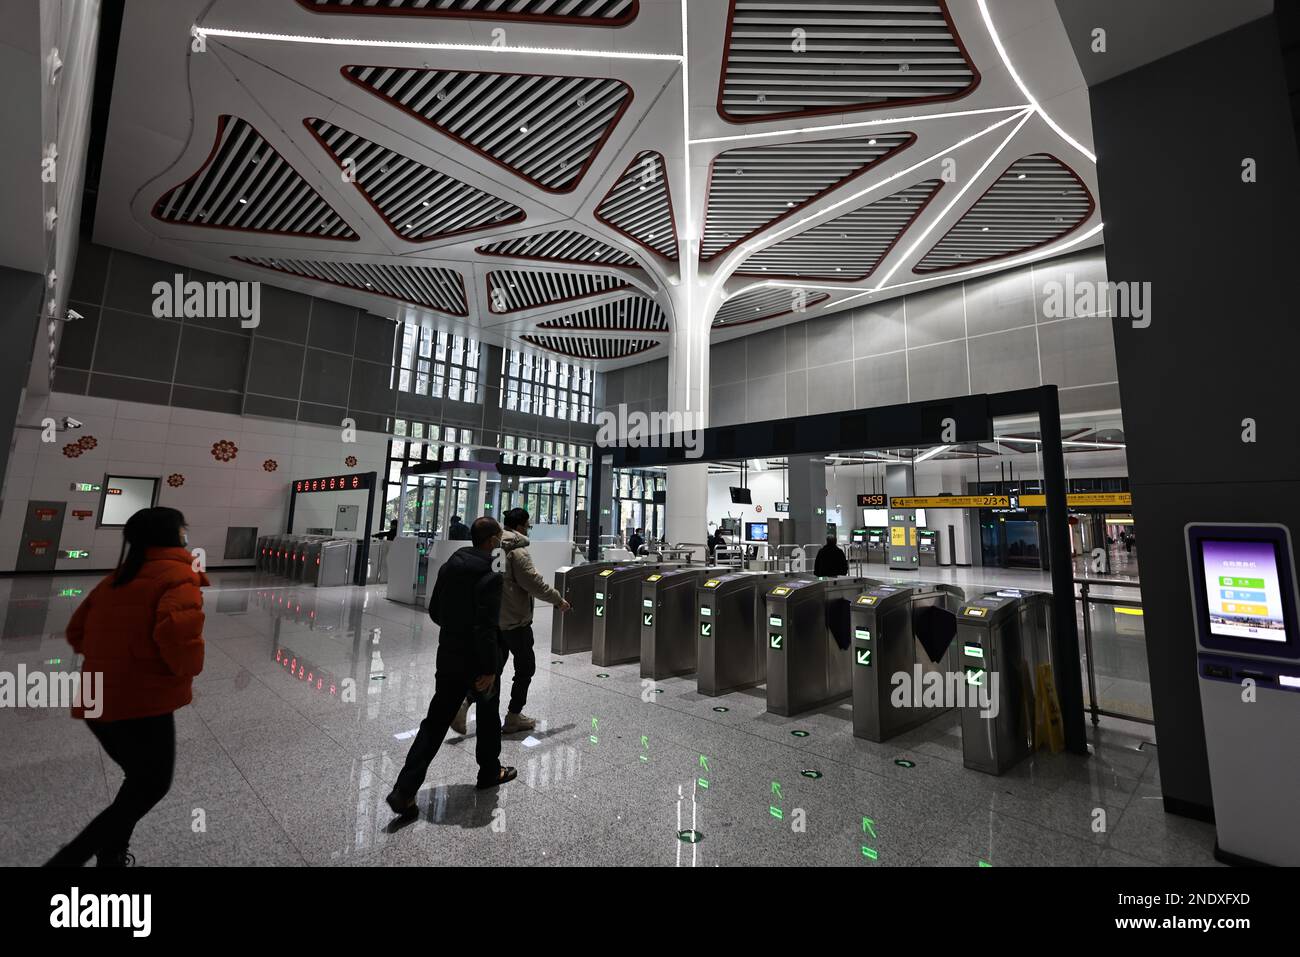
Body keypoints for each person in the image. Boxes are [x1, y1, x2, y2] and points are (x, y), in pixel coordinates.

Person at [46, 507, 207, 867]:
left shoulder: (116, 578)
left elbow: (76, 632)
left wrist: (114, 656)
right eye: (184, 529)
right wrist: (187, 669)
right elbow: (178, 638)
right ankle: (70, 859)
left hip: (97, 701)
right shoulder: (180, 575)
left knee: (138, 781)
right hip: (140, 704)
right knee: (151, 785)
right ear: (176, 536)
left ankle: (112, 854)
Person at [387, 517, 514, 816]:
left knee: (434, 723)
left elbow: (435, 611)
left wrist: (456, 631)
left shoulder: (451, 564)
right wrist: (488, 668)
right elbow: (485, 626)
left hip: (448, 656)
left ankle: (404, 791)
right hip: (478, 661)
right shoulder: (491, 573)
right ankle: (489, 772)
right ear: (493, 541)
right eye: (499, 539)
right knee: (487, 715)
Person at [492, 508, 570, 734]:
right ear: (520, 526)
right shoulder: (517, 551)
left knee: (494, 666)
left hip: (497, 617)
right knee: (525, 668)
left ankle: (466, 703)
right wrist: (558, 600)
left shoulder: (494, 546)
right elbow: (533, 583)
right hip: (516, 619)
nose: (529, 529)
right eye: (528, 525)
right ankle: (514, 716)